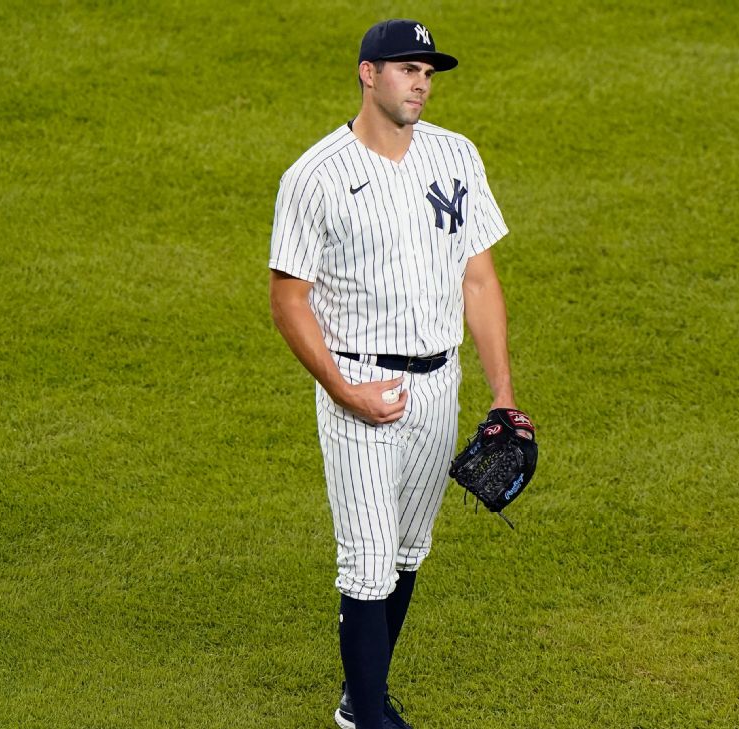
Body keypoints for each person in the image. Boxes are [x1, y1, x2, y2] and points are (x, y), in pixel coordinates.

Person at [267, 18, 517, 729]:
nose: (421, 83)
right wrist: (344, 391)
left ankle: (357, 702)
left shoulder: (457, 156)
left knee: (408, 553)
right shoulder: (315, 175)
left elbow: (478, 278)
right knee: (369, 563)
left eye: (429, 72)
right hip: (360, 387)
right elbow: (289, 300)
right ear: (367, 74)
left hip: (440, 384)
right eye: (407, 68)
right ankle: (369, 720)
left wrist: (502, 392)